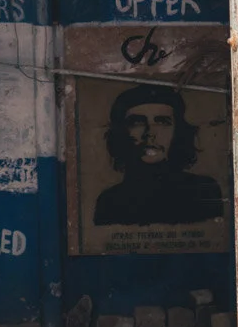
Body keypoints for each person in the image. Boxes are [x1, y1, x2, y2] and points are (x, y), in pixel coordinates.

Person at [92, 83, 223, 226]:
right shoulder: (110, 201)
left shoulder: (204, 190)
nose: (150, 133)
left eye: (162, 122)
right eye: (137, 122)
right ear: (121, 133)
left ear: (179, 132)